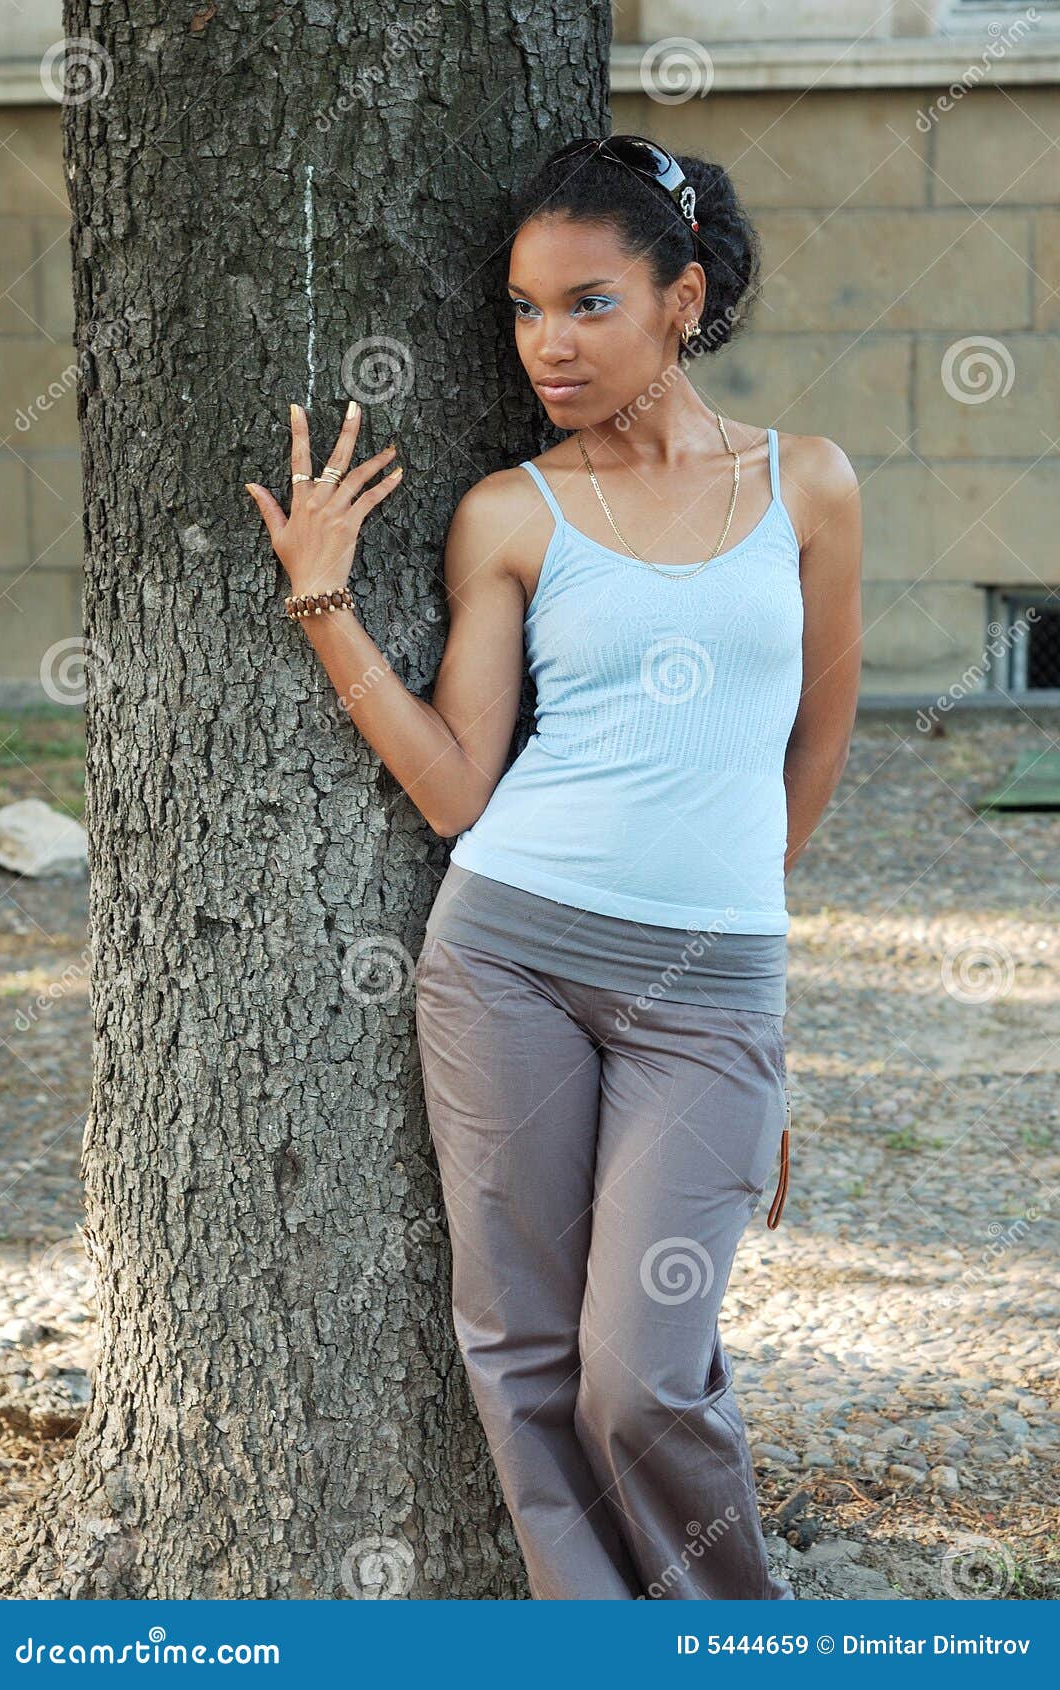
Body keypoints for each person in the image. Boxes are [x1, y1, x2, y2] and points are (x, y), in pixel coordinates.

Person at [246, 134, 862, 1600]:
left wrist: (753, 1022)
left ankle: (739, 1638)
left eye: (587, 303)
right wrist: (323, 597)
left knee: (639, 1380)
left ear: (684, 296)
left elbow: (815, 749)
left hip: (711, 983)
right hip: (508, 952)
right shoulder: (511, 511)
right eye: (526, 310)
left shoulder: (810, 488)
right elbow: (460, 785)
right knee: (520, 1349)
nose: (547, 345)